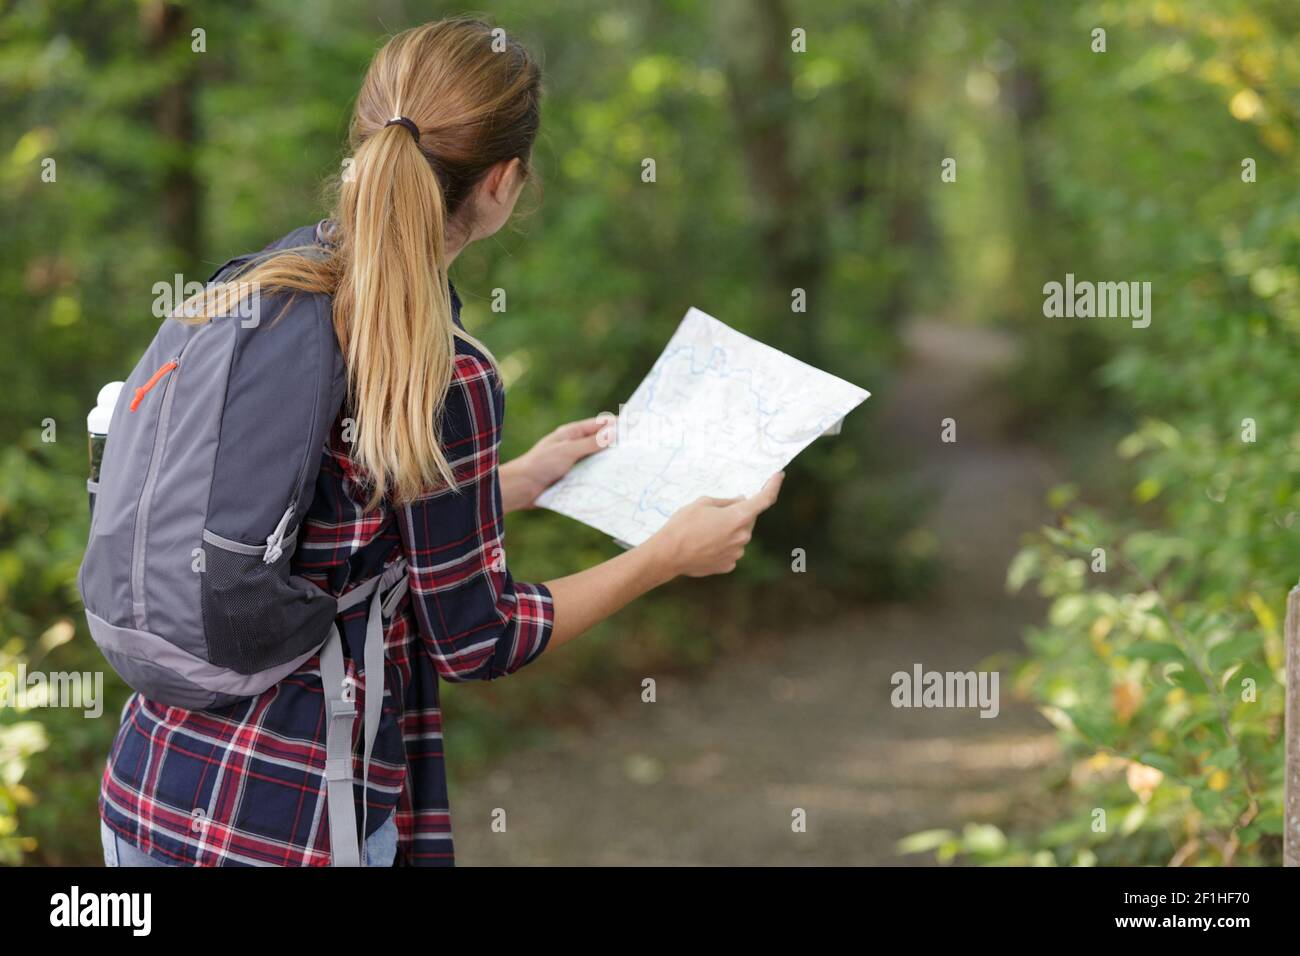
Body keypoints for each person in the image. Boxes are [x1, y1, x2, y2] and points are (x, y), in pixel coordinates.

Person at [99, 16, 782, 867]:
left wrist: (517, 481)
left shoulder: (263, 285)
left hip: (146, 790)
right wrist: (665, 554)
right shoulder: (440, 369)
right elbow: (476, 638)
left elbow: (327, 529)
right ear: (502, 183)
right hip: (295, 823)